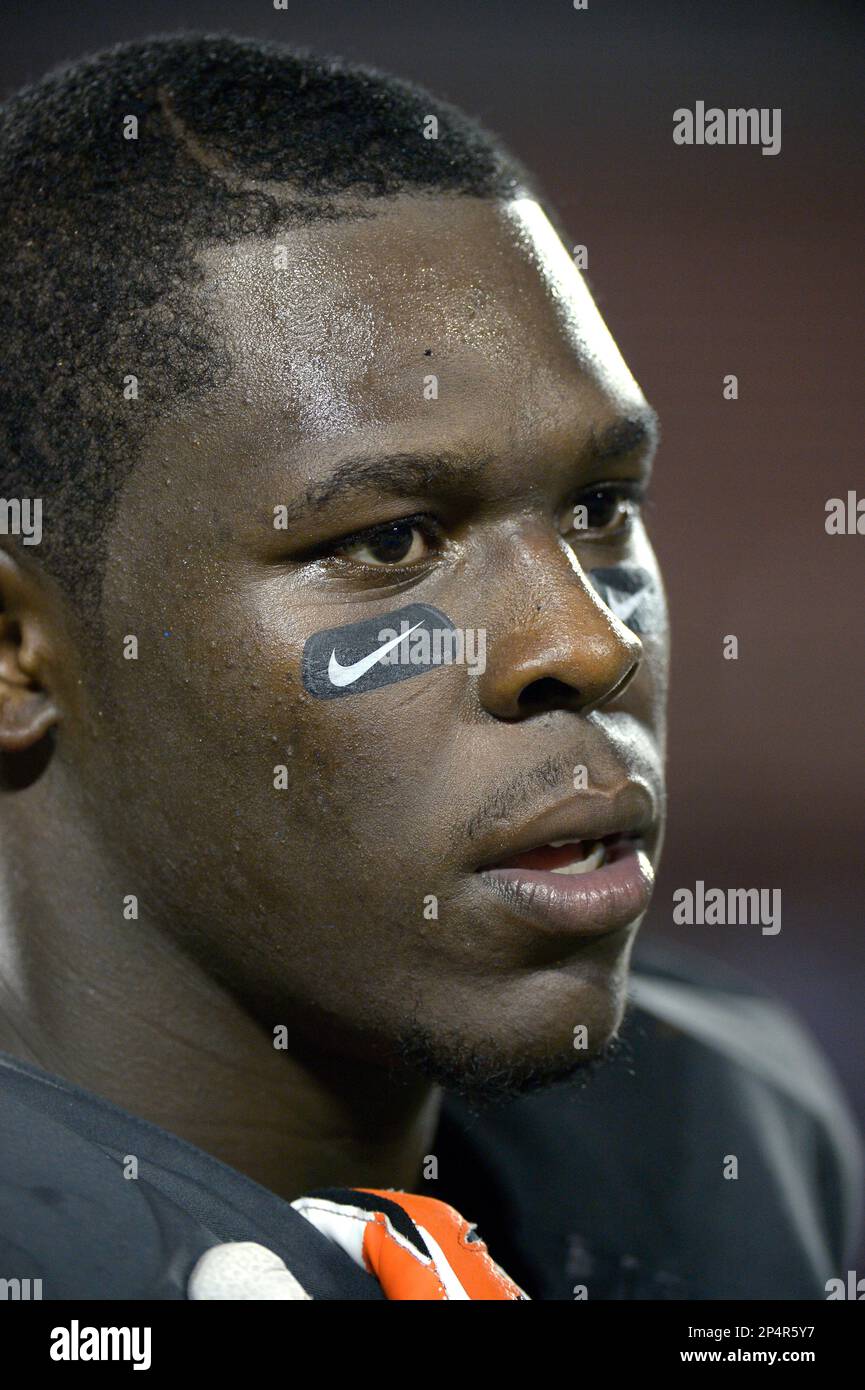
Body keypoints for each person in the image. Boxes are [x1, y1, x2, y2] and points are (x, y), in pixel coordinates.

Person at [0, 32, 859, 1300]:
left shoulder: (735, 1129)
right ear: (21, 653)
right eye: (391, 541)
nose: (586, 643)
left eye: (599, 507)